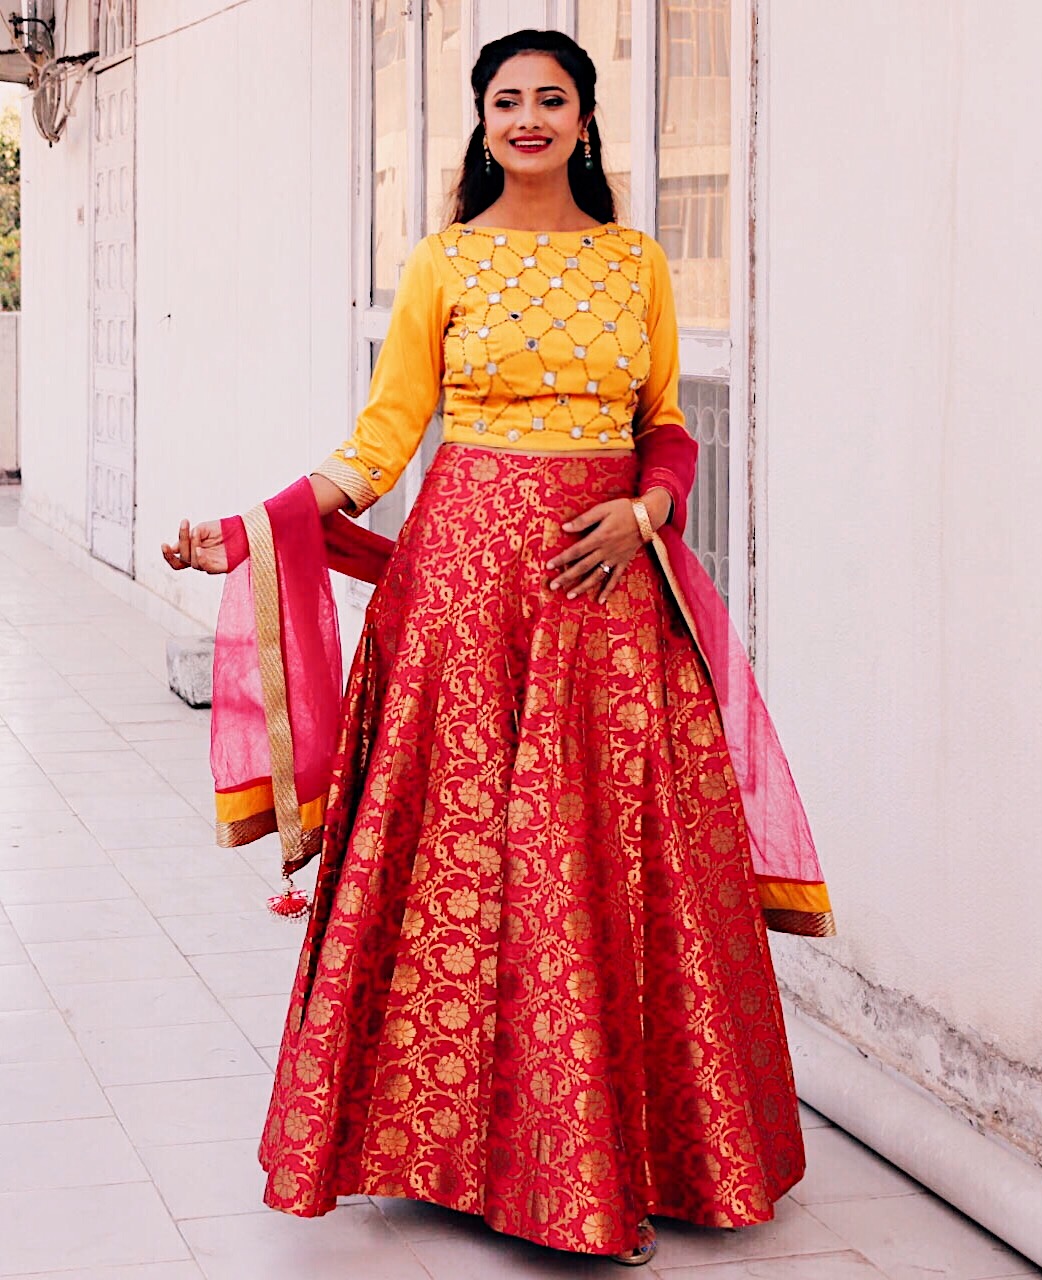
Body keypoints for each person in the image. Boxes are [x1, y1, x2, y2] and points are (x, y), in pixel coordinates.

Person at [162, 28, 832, 1268]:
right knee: (463, 860)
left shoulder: (634, 261)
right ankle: (451, 1145)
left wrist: (646, 510)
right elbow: (375, 449)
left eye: (553, 99)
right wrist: (248, 527)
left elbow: (667, 425)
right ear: (481, 123)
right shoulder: (444, 261)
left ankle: (614, 1148)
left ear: (585, 122)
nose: (530, 117)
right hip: (462, 600)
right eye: (507, 100)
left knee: (603, 848)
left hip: (604, 594)